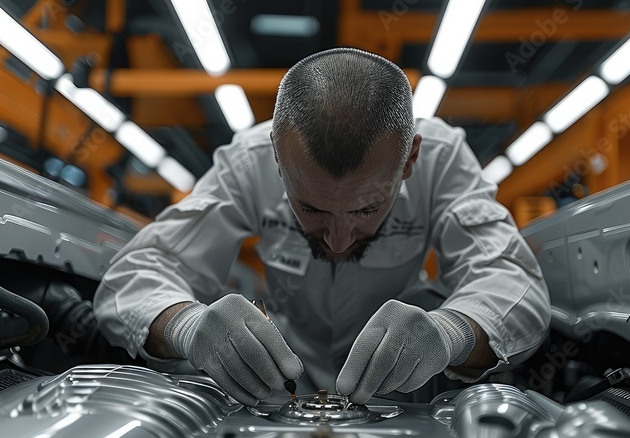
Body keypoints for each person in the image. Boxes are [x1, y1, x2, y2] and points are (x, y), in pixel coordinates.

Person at [94, 48, 550, 406]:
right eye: (311, 209)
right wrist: (188, 326)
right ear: (276, 154)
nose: (337, 238)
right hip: (281, 381)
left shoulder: (442, 160)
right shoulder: (247, 161)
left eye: (366, 210)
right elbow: (135, 274)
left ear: (410, 159)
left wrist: (451, 333)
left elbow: (513, 280)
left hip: (406, 393)